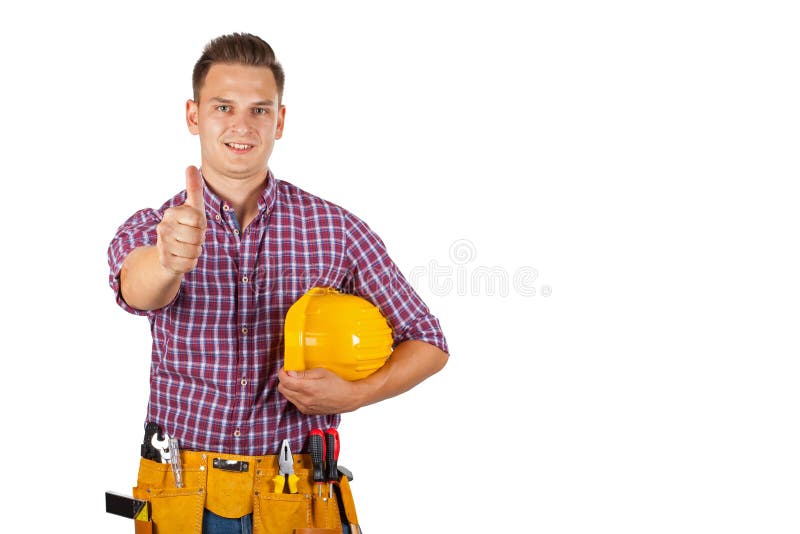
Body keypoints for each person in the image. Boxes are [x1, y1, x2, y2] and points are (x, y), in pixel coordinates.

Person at [107, 33, 448, 533]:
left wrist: (356, 394)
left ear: (280, 121)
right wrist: (168, 261)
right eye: (223, 107)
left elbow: (428, 340)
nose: (242, 125)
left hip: (300, 496)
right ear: (193, 115)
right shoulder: (155, 227)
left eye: (260, 110)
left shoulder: (337, 231)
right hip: (182, 495)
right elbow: (138, 289)